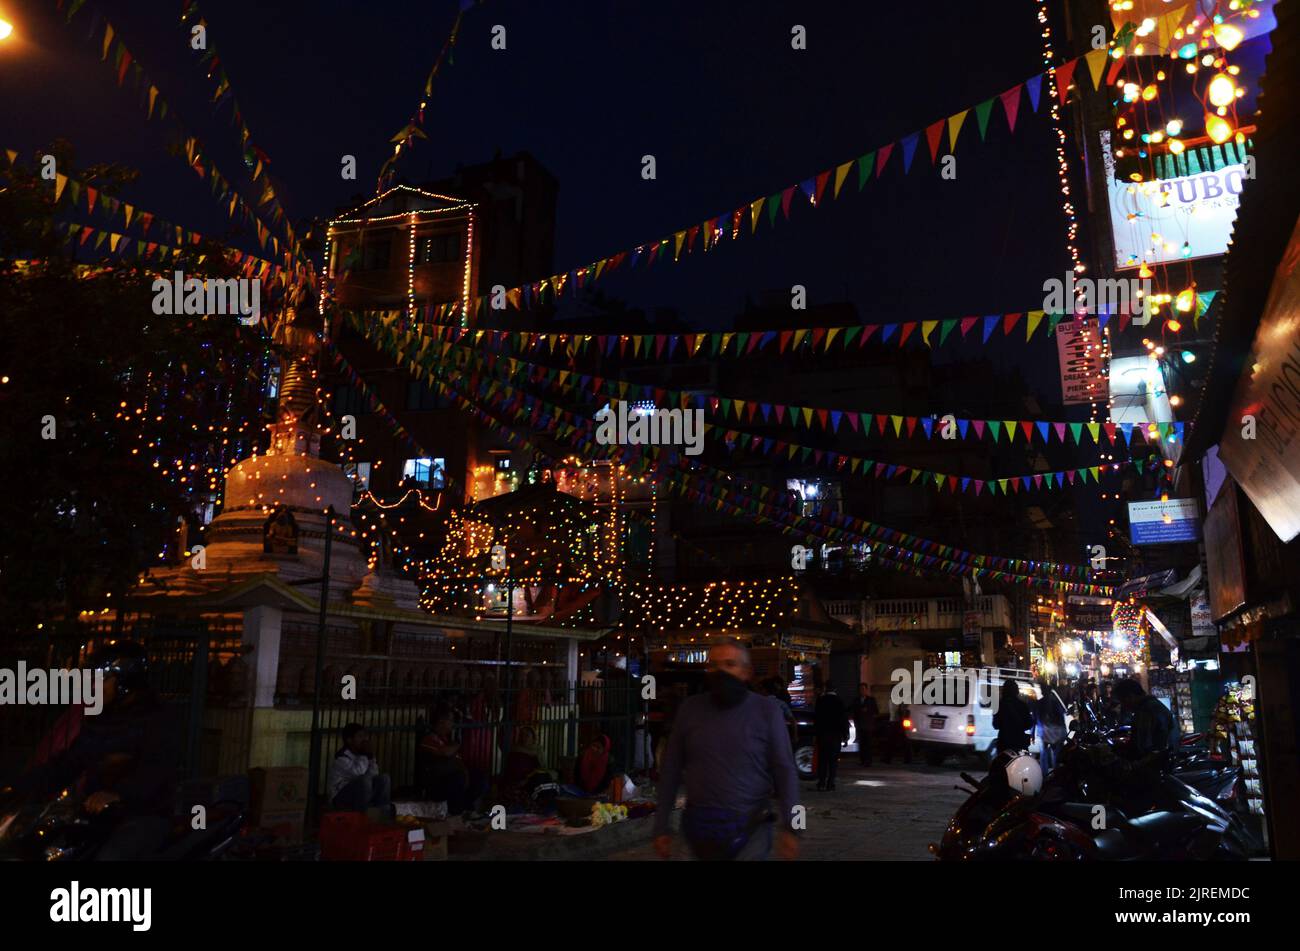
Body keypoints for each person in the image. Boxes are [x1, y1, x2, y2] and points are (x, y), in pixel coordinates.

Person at [653, 640, 801, 861]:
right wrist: (660, 827)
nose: (720, 671)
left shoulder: (767, 711)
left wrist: (794, 827)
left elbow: (786, 770)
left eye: (730, 664)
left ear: (746, 672)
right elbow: (670, 770)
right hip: (696, 828)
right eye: (714, 665)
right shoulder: (690, 709)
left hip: (751, 829)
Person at [417, 716, 485, 814]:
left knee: (479, 777)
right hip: (437, 781)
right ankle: (455, 812)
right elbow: (445, 752)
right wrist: (457, 745)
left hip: (453, 776)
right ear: (441, 722)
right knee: (458, 778)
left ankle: (466, 807)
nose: (452, 724)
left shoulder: (446, 740)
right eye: (450, 721)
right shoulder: (429, 739)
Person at [327, 723, 391, 812]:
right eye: (360, 737)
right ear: (349, 740)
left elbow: (374, 774)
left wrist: (371, 757)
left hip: (362, 792)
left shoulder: (362, 754)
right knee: (364, 781)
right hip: (340, 796)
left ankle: (382, 813)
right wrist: (365, 754)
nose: (364, 740)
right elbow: (358, 773)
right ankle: (362, 816)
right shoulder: (341, 758)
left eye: (365, 736)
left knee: (384, 778)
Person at [813, 683, 849, 791]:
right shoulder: (840, 701)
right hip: (836, 735)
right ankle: (831, 783)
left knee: (822, 760)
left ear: (825, 689)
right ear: (835, 689)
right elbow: (843, 719)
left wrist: (815, 735)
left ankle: (821, 782)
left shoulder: (821, 701)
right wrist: (845, 735)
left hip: (823, 735)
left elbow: (817, 719)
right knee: (833, 760)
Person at [991, 680, 1034, 758]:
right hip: (1019, 741)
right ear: (1016, 691)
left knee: (1003, 765)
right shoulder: (1023, 705)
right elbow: (1029, 724)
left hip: (1004, 741)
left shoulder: (999, 705)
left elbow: (995, 725)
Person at [1035, 680, 1068, 773]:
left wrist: (1033, 732)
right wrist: (1063, 730)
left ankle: (1045, 775)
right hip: (1054, 732)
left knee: (1044, 754)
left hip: (1043, 732)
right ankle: (1056, 773)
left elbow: (1036, 718)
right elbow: (1061, 716)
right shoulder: (1054, 702)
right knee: (1055, 754)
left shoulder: (1039, 703)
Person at [850, 683, 879, 767]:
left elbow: (876, 711)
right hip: (859, 725)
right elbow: (853, 710)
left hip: (868, 725)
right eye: (860, 689)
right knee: (861, 744)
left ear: (866, 690)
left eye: (863, 689)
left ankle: (868, 761)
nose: (862, 691)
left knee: (868, 744)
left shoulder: (871, 700)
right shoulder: (856, 700)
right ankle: (862, 760)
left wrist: (868, 711)